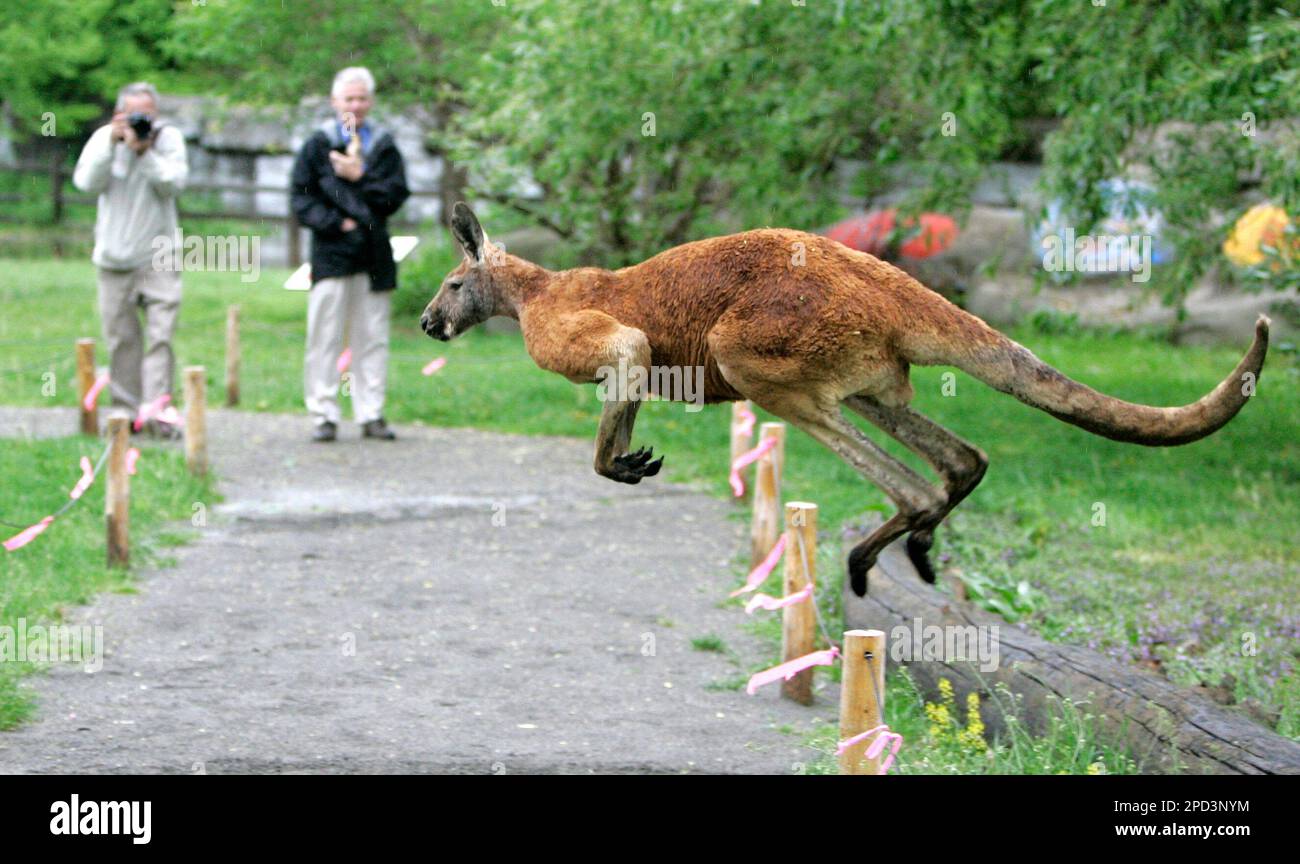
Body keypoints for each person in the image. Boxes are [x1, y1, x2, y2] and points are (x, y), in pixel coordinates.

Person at [290, 66, 410, 442]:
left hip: (374, 255)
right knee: (323, 336)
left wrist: (360, 177)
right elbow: (300, 199)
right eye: (348, 99)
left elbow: (393, 197)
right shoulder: (318, 145)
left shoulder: (384, 146)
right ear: (334, 102)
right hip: (331, 256)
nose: (355, 105)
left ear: (370, 102)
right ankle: (323, 414)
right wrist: (335, 224)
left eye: (361, 99)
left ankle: (370, 413)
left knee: (371, 336)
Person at [72, 81, 188, 436]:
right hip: (114, 259)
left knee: (160, 335)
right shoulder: (104, 139)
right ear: (119, 113)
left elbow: (173, 184)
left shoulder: (168, 140)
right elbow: (86, 183)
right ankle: (124, 412)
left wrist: (145, 153)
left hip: (158, 257)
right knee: (121, 339)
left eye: (147, 114)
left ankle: (155, 413)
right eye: (133, 114)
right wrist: (113, 142)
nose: (141, 121)